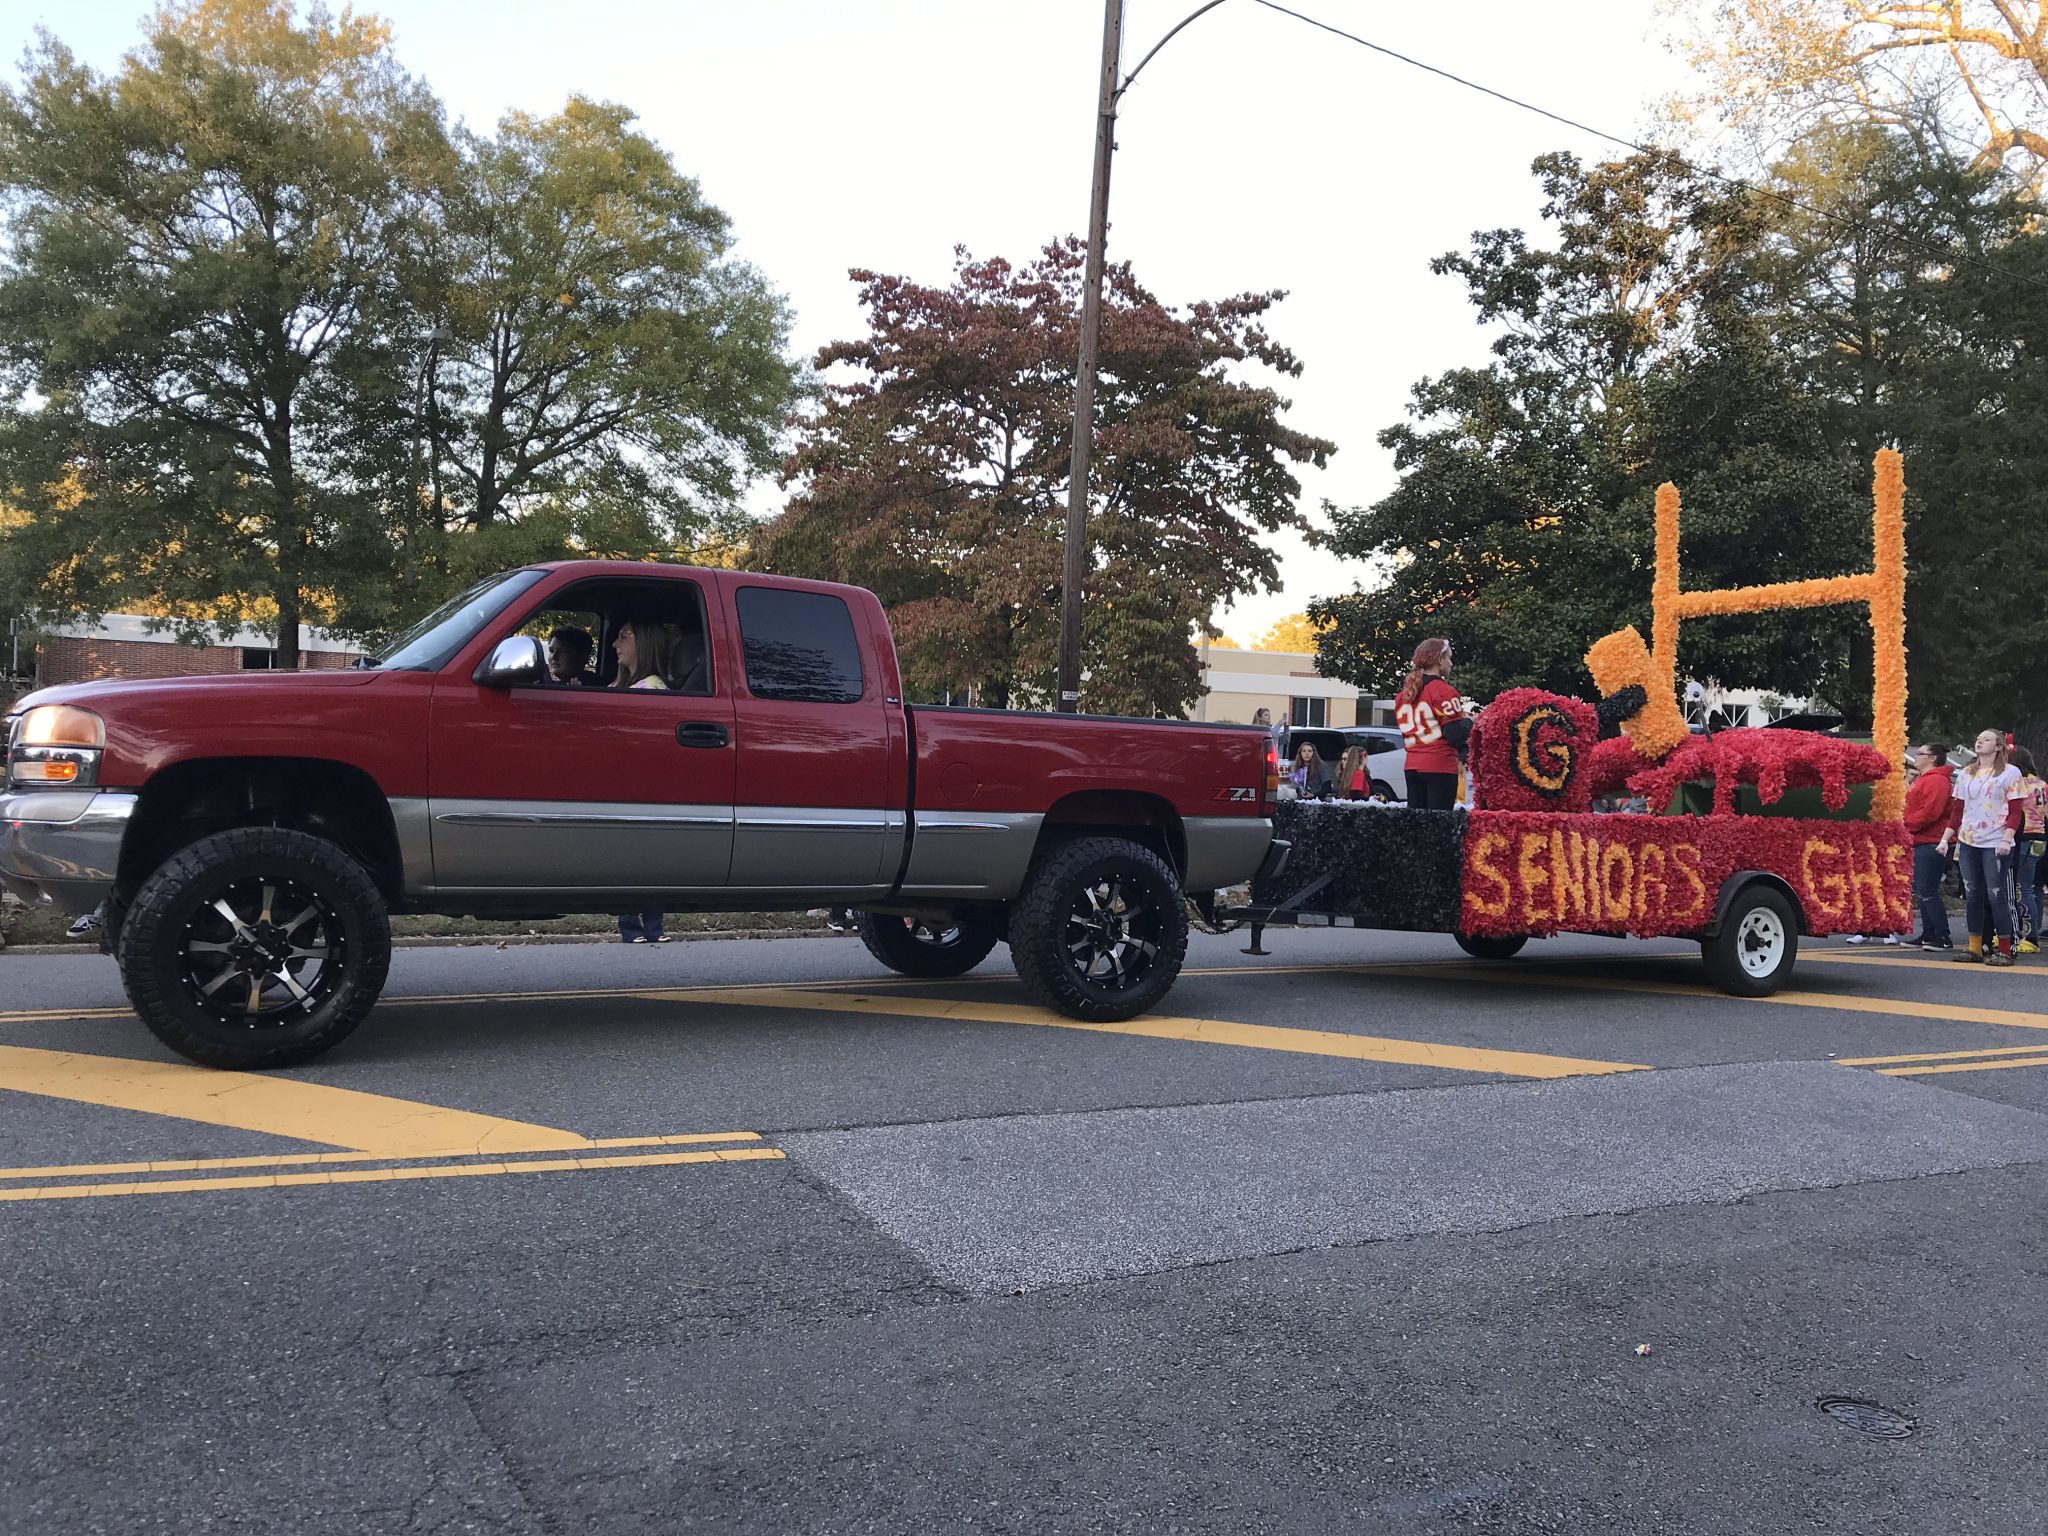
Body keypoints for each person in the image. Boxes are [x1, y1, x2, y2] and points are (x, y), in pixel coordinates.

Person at [1938, 728, 2026, 965]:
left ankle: (2006, 948)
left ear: (1998, 746)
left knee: (1996, 895)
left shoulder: (2010, 773)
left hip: (1996, 841)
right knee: (1973, 894)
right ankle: (1974, 947)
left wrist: (2007, 838)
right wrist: (1946, 839)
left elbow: (2016, 811)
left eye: (1986, 739)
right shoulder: (1966, 773)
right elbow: (1958, 811)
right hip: (1969, 841)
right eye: (1978, 739)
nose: (1979, 742)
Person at [1395, 638, 1470, 811]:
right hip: (1440, 766)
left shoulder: (1403, 695)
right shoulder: (1444, 691)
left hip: (1412, 766)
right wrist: (1469, 721)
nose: (1451, 663)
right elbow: (1455, 734)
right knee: (1438, 828)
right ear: (1439, 659)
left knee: (1418, 827)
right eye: (1449, 658)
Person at [1901, 743, 1955, 951]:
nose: (1916, 756)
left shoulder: (1937, 781)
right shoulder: (1925, 779)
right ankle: (1929, 933)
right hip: (1922, 839)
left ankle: (1943, 936)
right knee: (1923, 889)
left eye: (1920, 753)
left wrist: (1906, 824)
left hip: (1932, 840)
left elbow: (1931, 812)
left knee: (1928, 889)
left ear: (1932, 758)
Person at [2012, 746, 2046, 954]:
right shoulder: (2041, 784)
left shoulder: (2019, 784)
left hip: (2023, 836)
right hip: (2040, 836)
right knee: (2033, 887)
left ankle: (2029, 936)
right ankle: (2034, 927)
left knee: (2021, 888)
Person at [612, 618, 684, 691]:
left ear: (643, 643)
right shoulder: (624, 685)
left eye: (623, 637)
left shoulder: (649, 687)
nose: (614, 644)